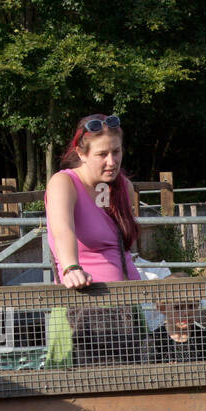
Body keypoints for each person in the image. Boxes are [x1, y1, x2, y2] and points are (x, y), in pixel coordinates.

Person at [44, 114, 144, 365]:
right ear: (81, 152)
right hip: (80, 309)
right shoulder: (64, 183)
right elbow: (62, 229)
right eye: (102, 154)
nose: (112, 161)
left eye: (116, 151)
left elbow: (123, 248)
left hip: (126, 306)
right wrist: (71, 267)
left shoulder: (124, 187)